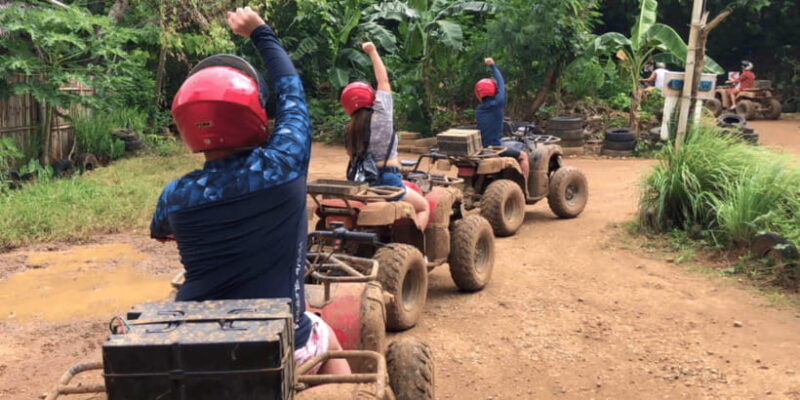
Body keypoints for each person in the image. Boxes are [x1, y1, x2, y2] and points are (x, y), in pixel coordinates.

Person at [150, 7, 350, 376]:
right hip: (278, 341)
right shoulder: (283, 165)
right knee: (327, 337)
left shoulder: (175, 196)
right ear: (254, 115)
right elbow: (293, 96)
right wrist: (261, 32)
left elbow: (161, 231)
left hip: (196, 345)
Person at [340, 42, 430, 230]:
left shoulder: (349, 130)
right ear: (370, 97)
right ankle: (417, 253)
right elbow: (383, 81)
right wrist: (372, 51)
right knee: (424, 207)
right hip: (389, 181)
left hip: (363, 185)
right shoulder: (382, 116)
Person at [475, 58, 530, 184]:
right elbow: (501, 83)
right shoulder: (497, 104)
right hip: (495, 146)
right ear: (493, 91)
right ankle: (524, 187)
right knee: (523, 155)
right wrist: (492, 66)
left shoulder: (479, 110)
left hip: (481, 148)